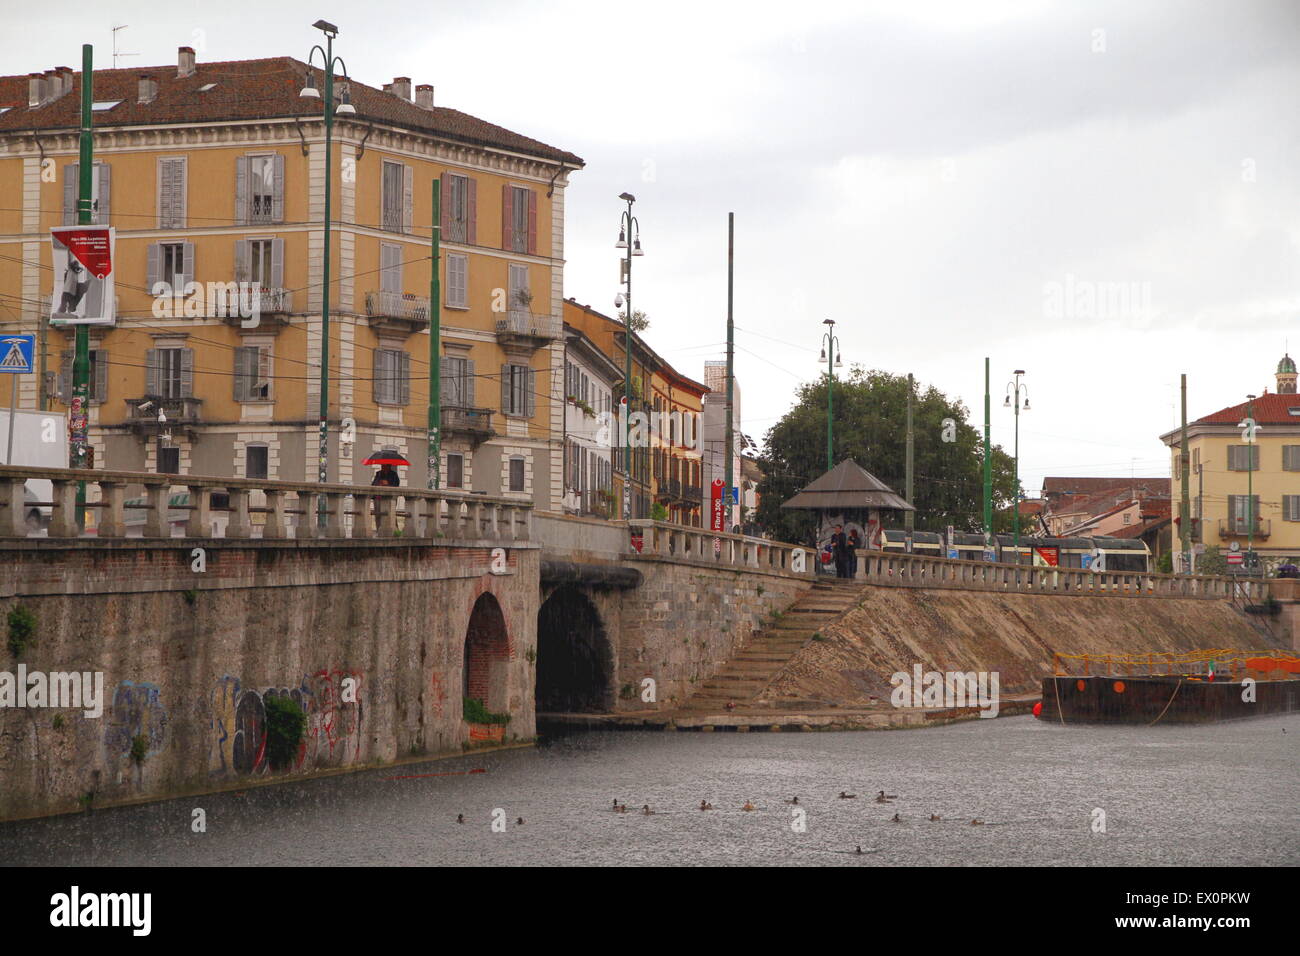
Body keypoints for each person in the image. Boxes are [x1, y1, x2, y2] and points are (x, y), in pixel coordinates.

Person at [371, 463, 400, 530]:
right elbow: (373, 484)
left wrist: (387, 484)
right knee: (378, 515)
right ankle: (379, 530)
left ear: (389, 466)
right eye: (382, 465)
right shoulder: (378, 474)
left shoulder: (394, 475)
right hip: (378, 498)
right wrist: (379, 483)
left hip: (389, 499)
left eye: (384, 465)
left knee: (390, 515)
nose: (382, 467)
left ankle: (394, 530)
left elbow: (396, 486)